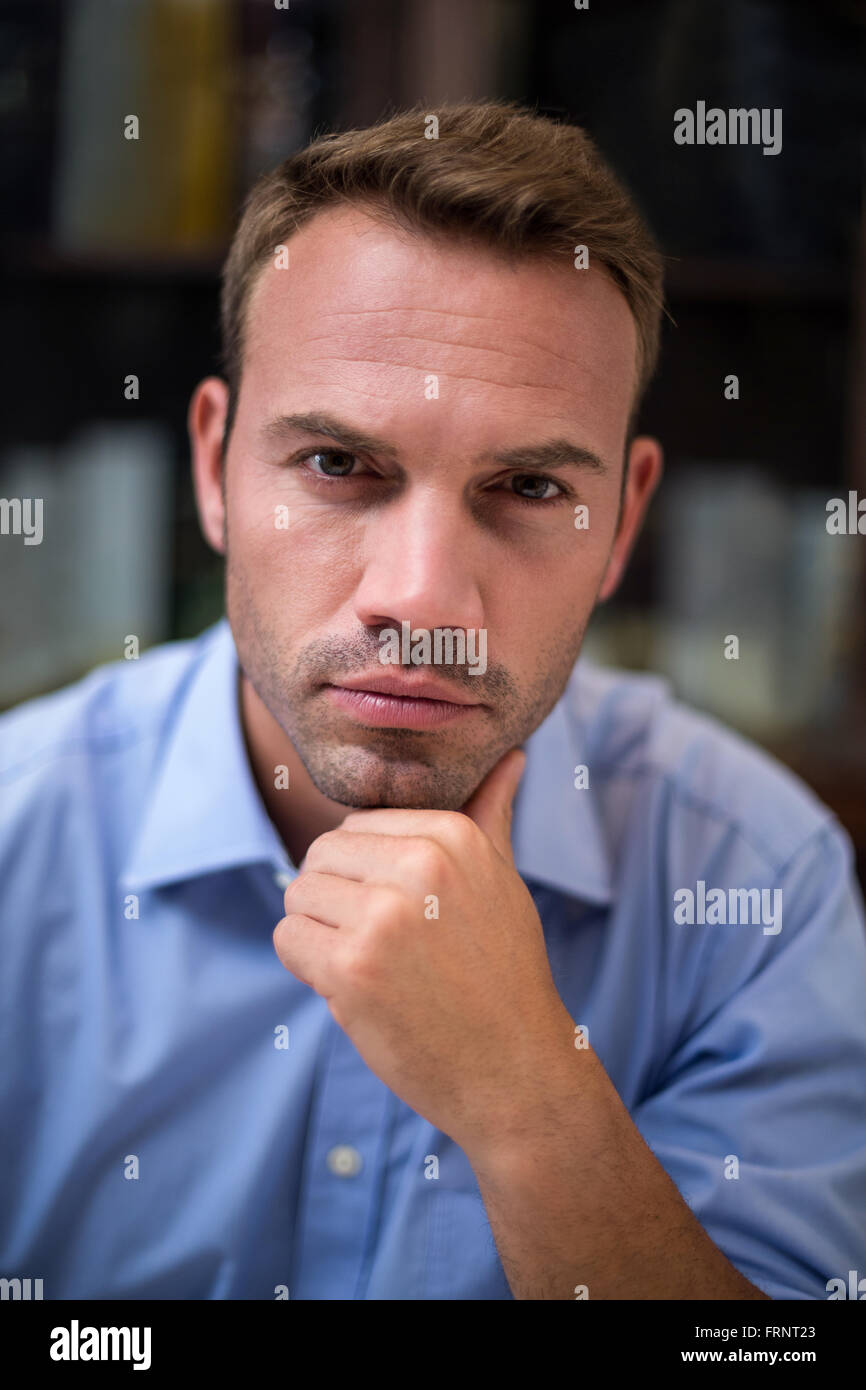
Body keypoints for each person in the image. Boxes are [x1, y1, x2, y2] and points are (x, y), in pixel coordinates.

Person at [2, 101, 864, 1301]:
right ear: (211, 466)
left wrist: (525, 1097)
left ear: (618, 521)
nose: (418, 600)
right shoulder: (15, 841)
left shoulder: (757, 884)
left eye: (523, 485)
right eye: (338, 466)